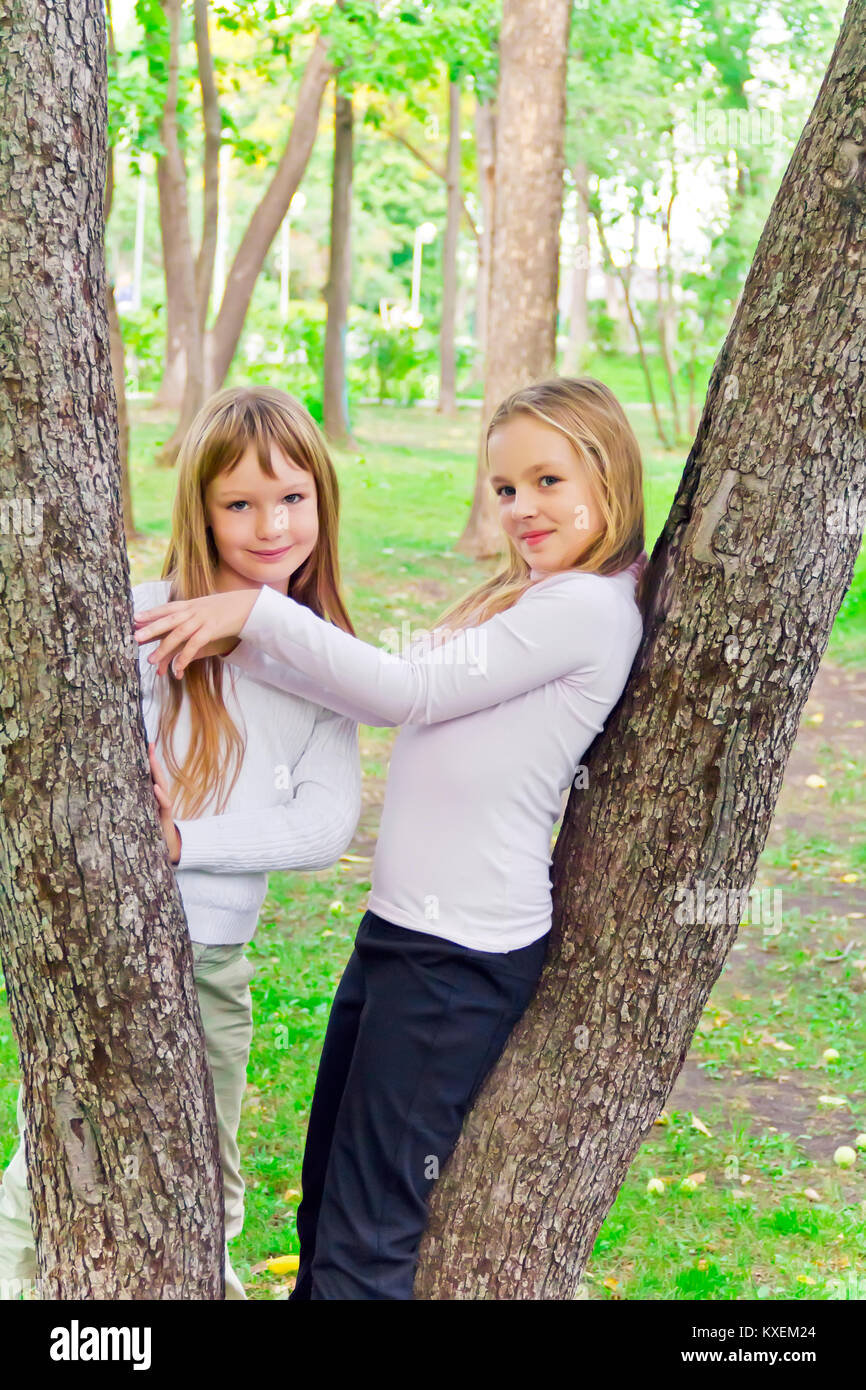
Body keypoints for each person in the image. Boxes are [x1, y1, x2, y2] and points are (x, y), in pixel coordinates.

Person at [133, 375, 650, 1300]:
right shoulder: (531, 599)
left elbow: (403, 696)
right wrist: (221, 628)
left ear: (610, 476)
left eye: (549, 482)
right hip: (402, 937)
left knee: (366, 1241)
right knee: (329, 1204)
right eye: (503, 489)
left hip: (457, 958)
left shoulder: (586, 609)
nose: (523, 509)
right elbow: (381, 686)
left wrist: (252, 613)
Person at [0, 386, 361, 1301]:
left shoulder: (320, 656)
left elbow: (325, 826)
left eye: (291, 498)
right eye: (238, 503)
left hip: (213, 965)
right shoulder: (142, 620)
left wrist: (179, 841)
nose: (270, 524)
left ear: (322, 498)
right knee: (53, 1168)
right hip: (106, 949)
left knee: (207, 1179)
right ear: (200, 512)